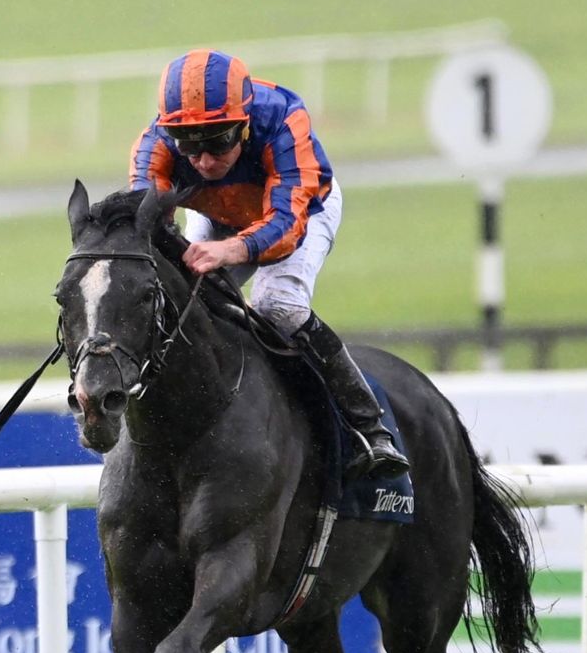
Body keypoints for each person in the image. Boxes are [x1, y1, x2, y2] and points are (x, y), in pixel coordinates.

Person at [128, 49, 409, 479]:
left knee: (278, 307)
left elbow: (286, 226)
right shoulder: (156, 145)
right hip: (216, 213)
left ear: (244, 127)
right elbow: (147, 223)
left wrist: (230, 250)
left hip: (301, 209)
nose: (203, 161)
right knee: (188, 300)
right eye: (189, 145)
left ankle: (370, 428)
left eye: (218, 140)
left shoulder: (283, 118)